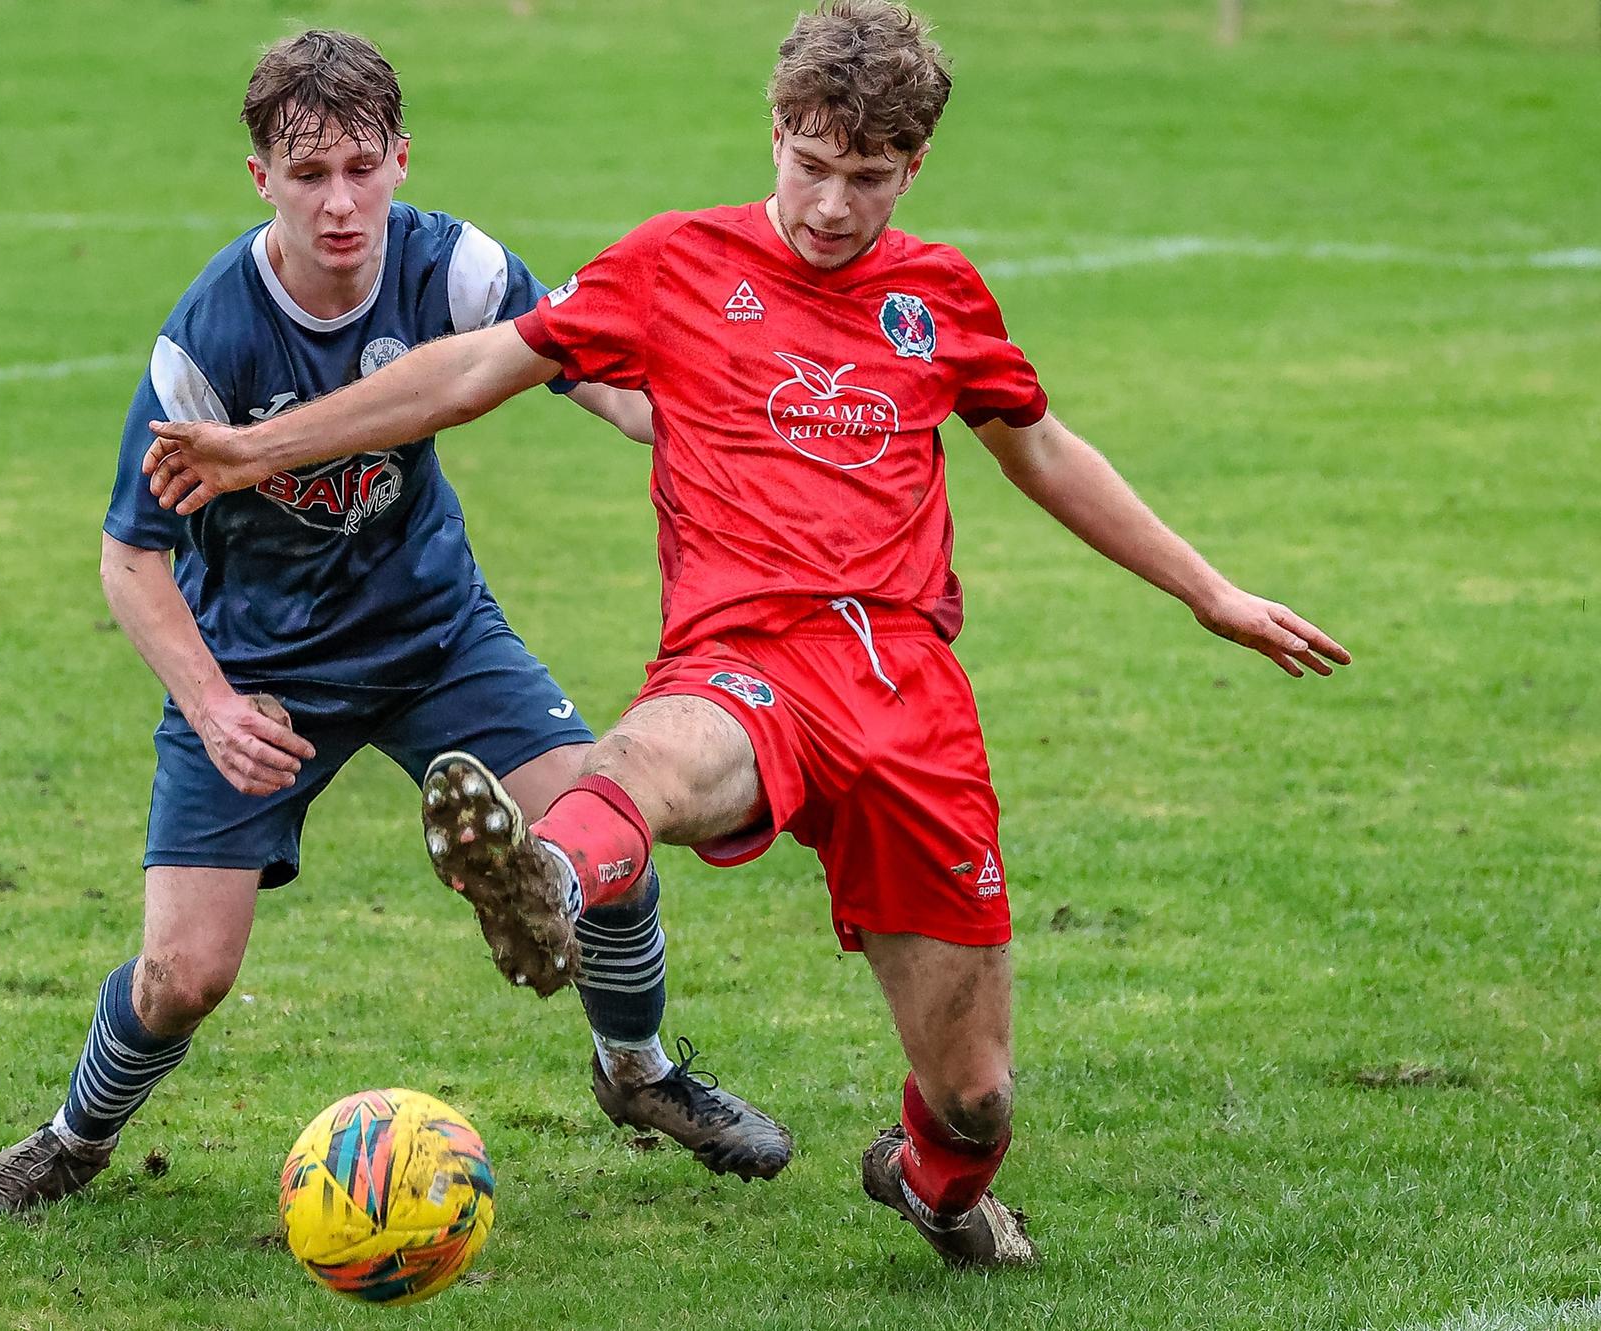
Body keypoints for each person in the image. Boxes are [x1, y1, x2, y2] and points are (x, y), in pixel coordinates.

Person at [138, 1, 1350, 1268]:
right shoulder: (672, 267)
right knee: (642, 765)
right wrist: (252, 448)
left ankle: (933, 1181)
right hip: (744, 663)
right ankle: (542, 882)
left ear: (913, 166)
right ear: (774, 133)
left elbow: (1039, 449)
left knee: (976, 1093)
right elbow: (464, 369)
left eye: (866, 178)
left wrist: (1206, 590)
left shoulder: (937, 298)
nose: (831, 205)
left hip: (910, 699)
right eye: (810, 166)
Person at [0, 29, 792, 1221]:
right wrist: (213, 705)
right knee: (185, 975)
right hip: (262, 673)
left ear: (400, 157)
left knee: (610, 820)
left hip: (438, 637)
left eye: (358, 168)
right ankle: (72, 1141)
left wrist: (707, 421)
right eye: (306, 176)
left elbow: (598, 374)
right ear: (259, 181)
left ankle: (638, 1072)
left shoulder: (455, 270)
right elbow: (131, 555)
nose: (339, 204)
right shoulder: (211, 340)